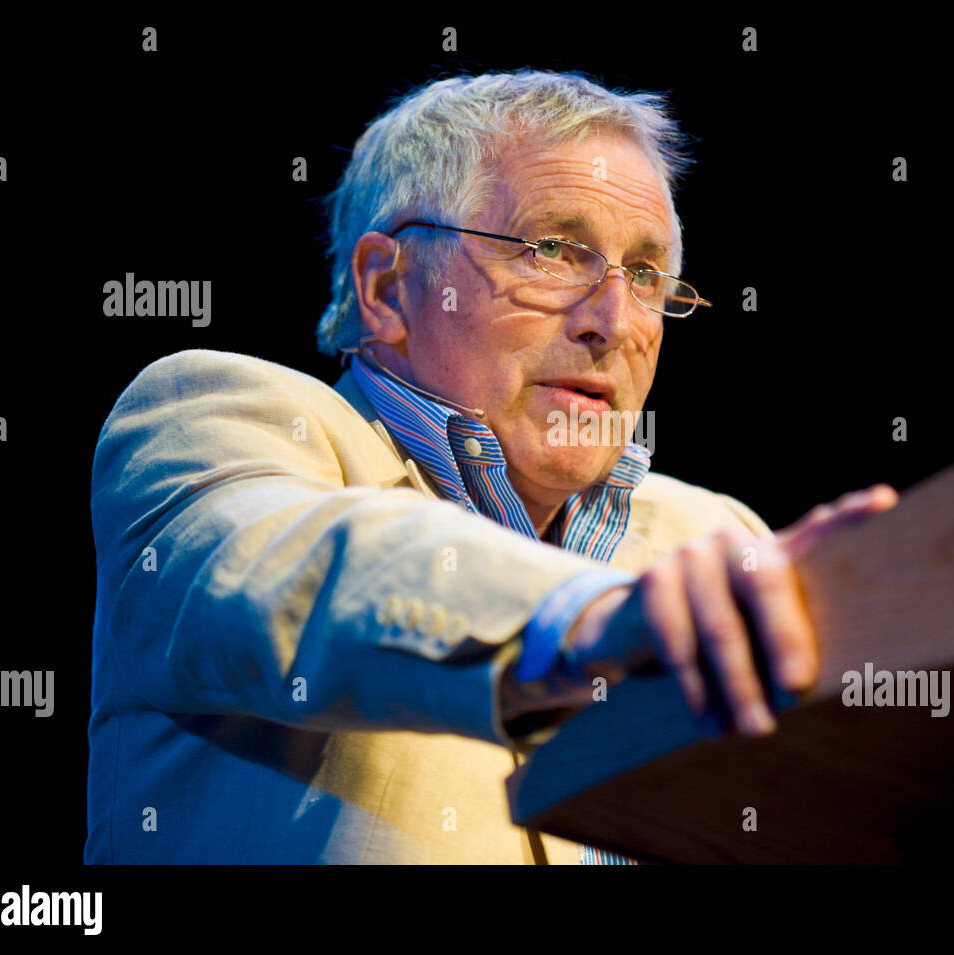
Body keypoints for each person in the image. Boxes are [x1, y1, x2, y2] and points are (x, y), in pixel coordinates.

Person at [85, 69, 897, 864]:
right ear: (388, 287)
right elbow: (302, 570)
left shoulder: (713, 534)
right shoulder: (217, 417)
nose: (613, 321)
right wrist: (585, 618)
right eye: (552, 249)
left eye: (645, 274)